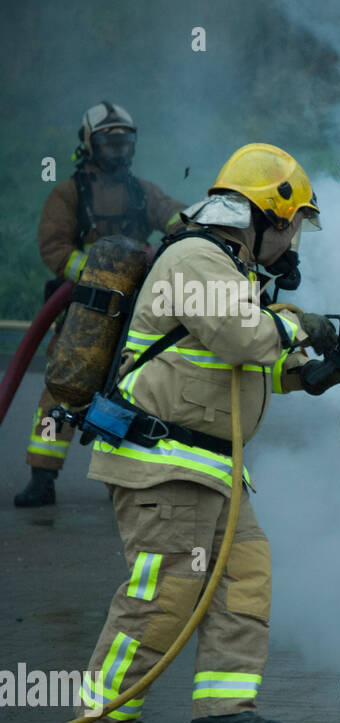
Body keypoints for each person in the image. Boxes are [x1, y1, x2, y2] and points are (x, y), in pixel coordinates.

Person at [74, 142, 340, 723]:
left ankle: (224, 711)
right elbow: (242, 338)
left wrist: (310, 374)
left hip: (212, 468)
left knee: (244, 579)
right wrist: (301, 323)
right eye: (291, 229)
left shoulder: (231, 270)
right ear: (265, 216)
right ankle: (103, 715)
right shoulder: (195, 257)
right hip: (165, 461)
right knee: (165, 589)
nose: (293, 245)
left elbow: (232, 364)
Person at [16, 102, 186, 507]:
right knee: (64, 386)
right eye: (109, 143)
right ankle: (42, 477)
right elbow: (54, 247)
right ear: (89, 145)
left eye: (124, 143)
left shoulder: (142, 192)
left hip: (134, 310)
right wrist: (93, 272)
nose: (119, 152)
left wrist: (193, 231)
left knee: (129, 388)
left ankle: (123, 478)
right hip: (84, 310)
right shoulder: (69, 193)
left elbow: (175, 216)